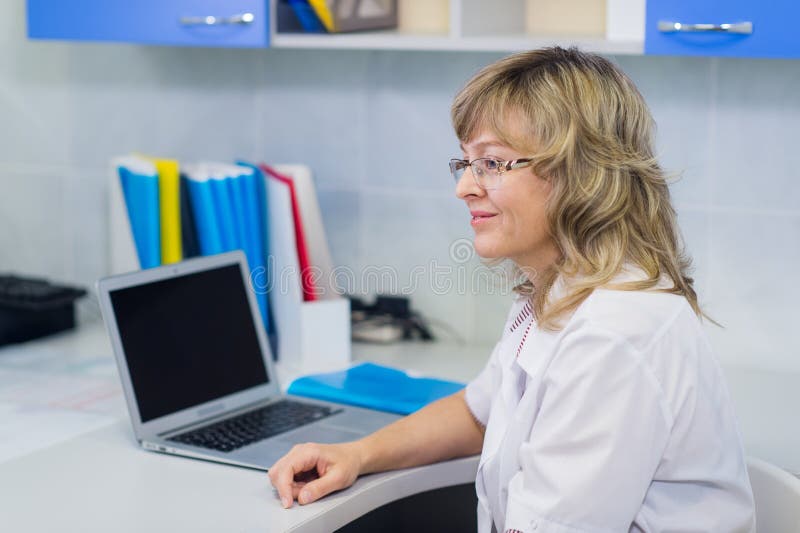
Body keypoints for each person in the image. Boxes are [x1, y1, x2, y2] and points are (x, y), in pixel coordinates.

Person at [268, 47, 755, 533]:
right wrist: (356, 454)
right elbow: (477, 413)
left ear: (581, 174)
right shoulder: (557, 290)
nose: (464, 187)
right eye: (466, 162)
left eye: (493, 163)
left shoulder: (614, 333)